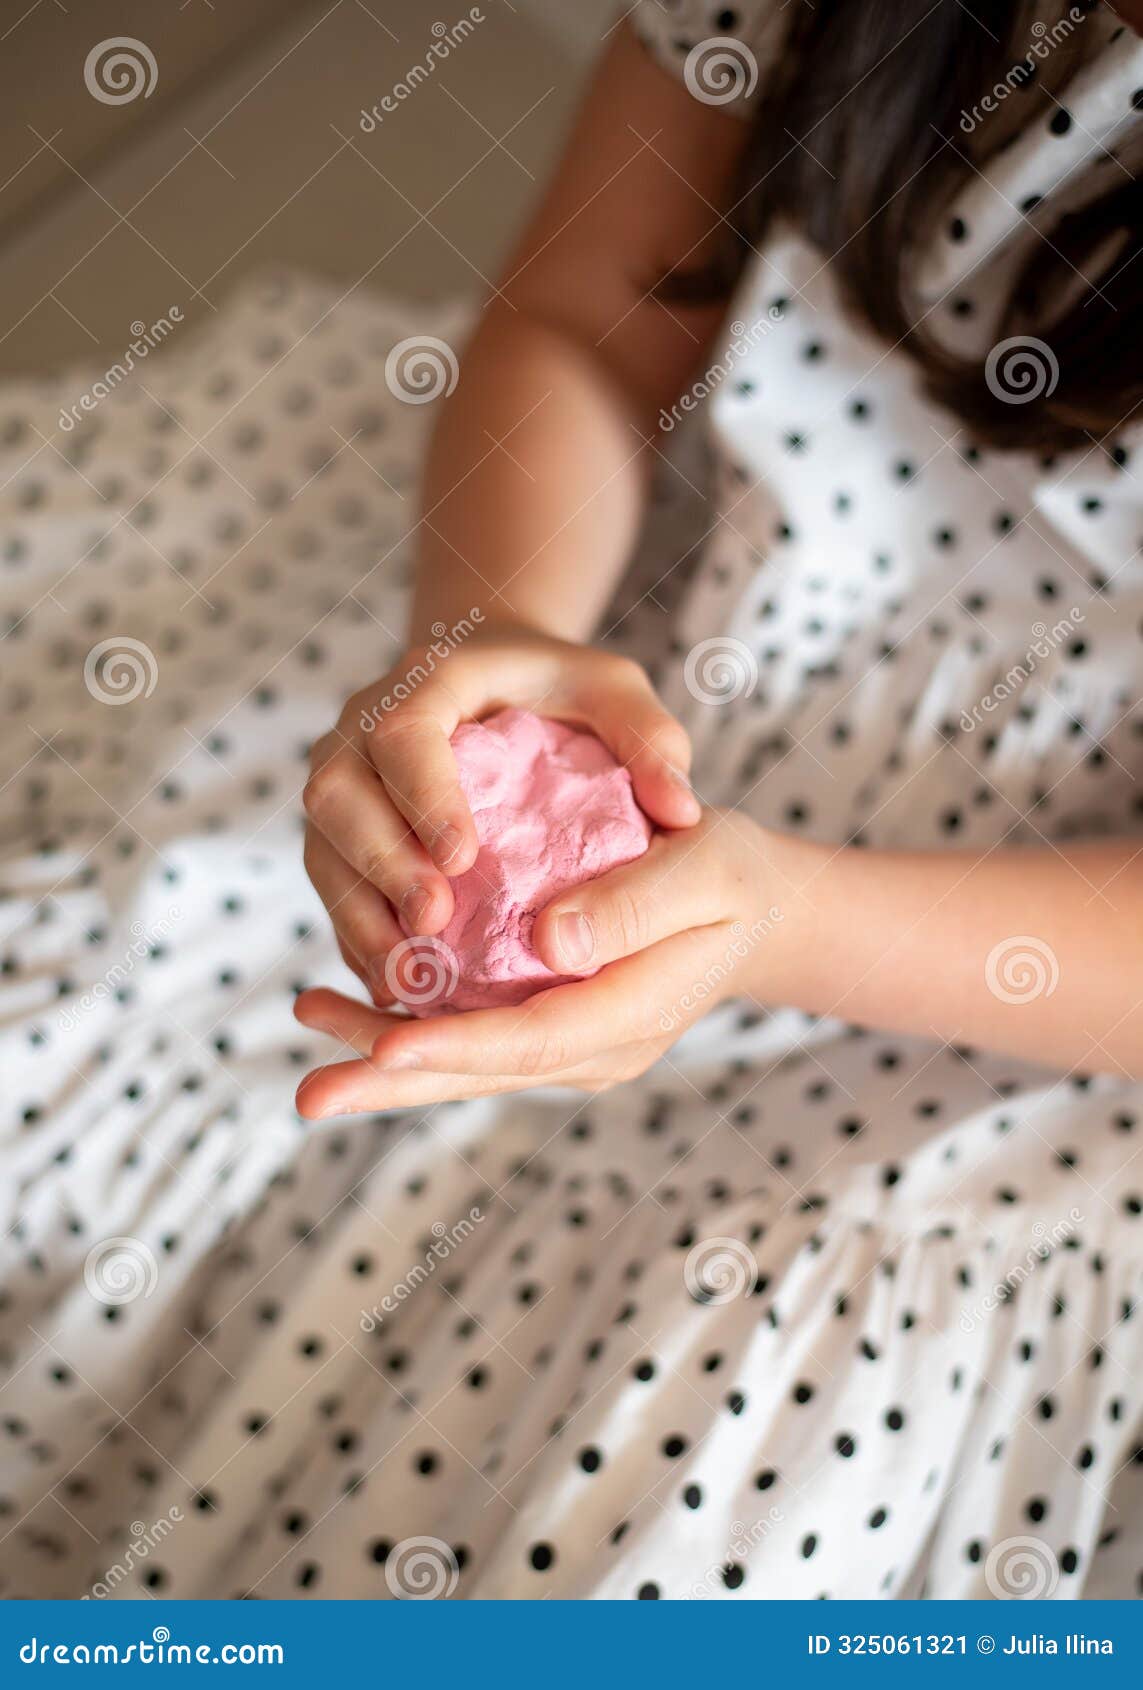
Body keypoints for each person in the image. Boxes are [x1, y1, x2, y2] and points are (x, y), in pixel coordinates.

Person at [288, 0, 1143, 1598]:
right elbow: (588, 317)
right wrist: (497, 630)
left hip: (1041, 976)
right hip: (687, 640)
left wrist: (785, 922)